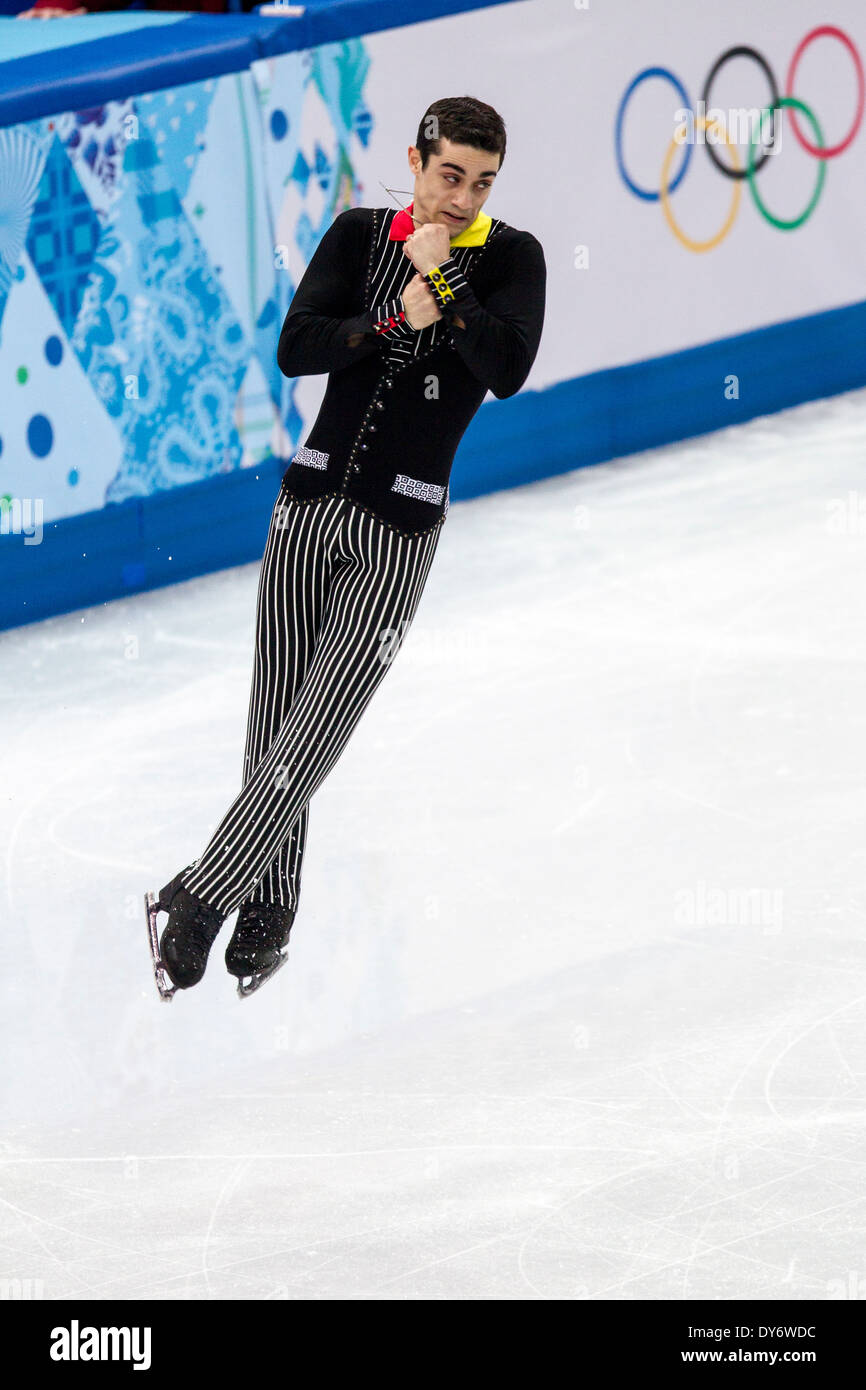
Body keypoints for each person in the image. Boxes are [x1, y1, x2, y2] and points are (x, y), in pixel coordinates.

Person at [147, 94, 547, 997]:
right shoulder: (359, 234)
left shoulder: (511, 257)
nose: (462, 198)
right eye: (450, 176)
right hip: (307, 506)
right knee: (273, 727)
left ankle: (203, 897)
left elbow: (508, 369)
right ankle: (272, 909)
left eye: (481, 183)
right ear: (416, 160)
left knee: (317, 728)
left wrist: (445, 284)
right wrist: (393, 319)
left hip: (398, 532)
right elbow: (296, 347)